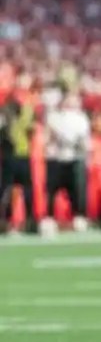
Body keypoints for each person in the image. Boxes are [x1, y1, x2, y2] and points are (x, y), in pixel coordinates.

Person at [42, 90, 91, 233]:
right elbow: (48, 137)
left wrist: (80, 149)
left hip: (74, 157)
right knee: (52, 190)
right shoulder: (53, 117)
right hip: (56, 158)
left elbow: (85, 140)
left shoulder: (81, 118)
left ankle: (79, 217)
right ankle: (49, 219)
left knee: (77, 190)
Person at [0, 90, 36, 234]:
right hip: (9, 156)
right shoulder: (4, 114)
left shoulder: (27, 112)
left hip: (23, 155)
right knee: (6, 191)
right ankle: (5, 222)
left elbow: (31, 130)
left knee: (27, 190)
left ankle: (29, 222)